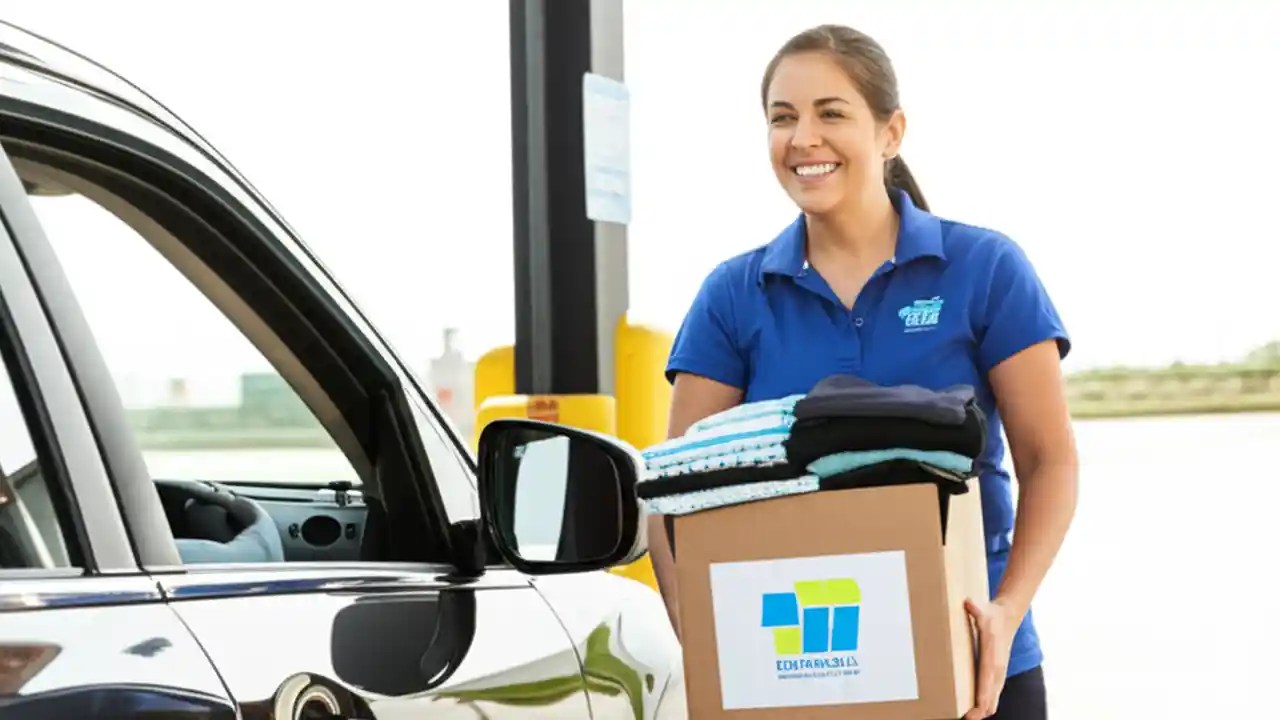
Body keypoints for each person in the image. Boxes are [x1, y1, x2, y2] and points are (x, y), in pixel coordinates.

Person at [646, 24, 1079, 720]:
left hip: (974, 669)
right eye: (781, 118)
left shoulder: (986, 269)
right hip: (793, 670)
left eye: (831, 112)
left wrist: (1006, 610)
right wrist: (705, 643)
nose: (802, 138)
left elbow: (1049, 458)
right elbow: (673, 492)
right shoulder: (732, 295)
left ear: (890, 131)